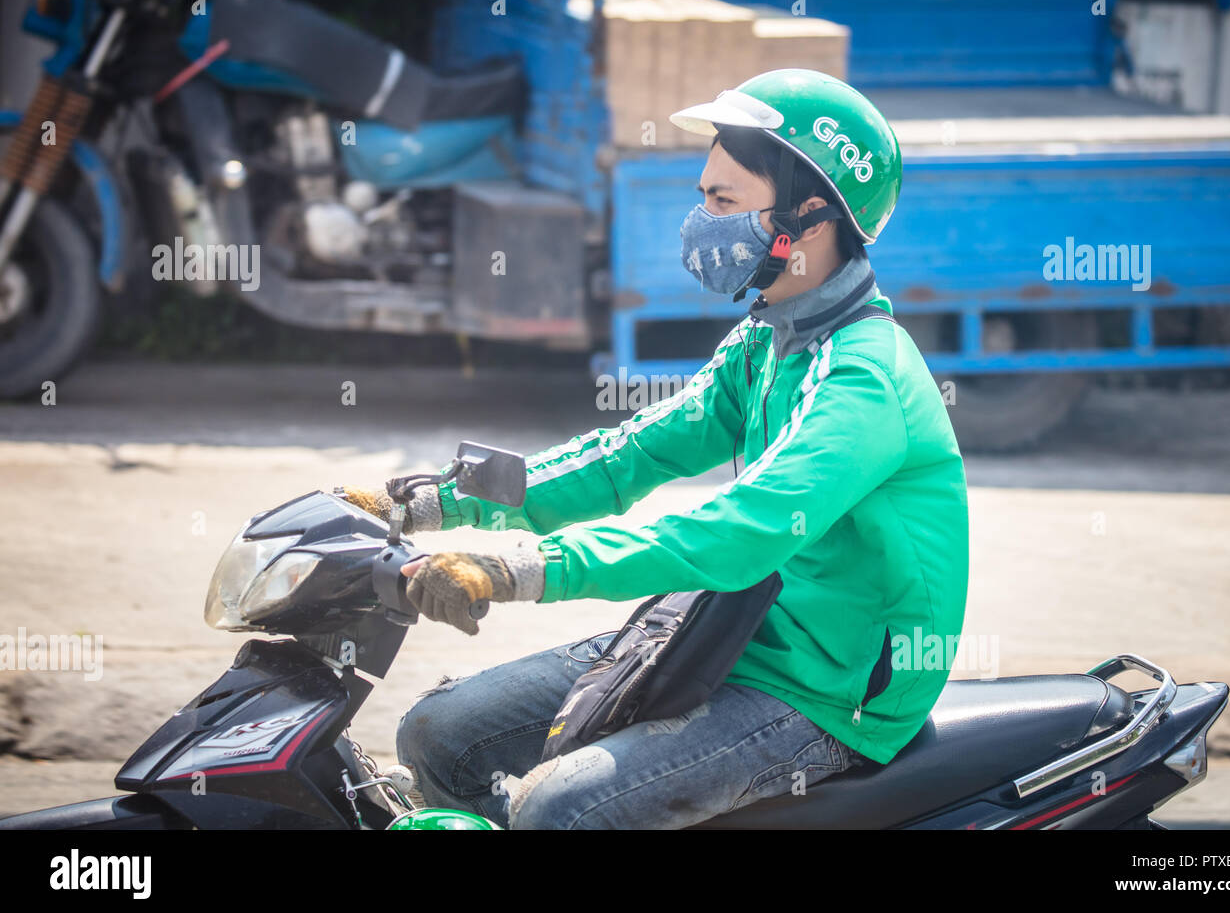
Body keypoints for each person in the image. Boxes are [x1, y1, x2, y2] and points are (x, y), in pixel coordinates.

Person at [343, 68, 969, 829]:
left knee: (559, 810)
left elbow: (740, 533)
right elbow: (626, 456)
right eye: (703, 197)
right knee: (438, 735)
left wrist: (517, 571)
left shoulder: (864, 378)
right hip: (732, 630)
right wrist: (427, 502)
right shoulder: (767, 341)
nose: (701, 221)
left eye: (723, 202)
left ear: (808, 218)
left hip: (829, 692)